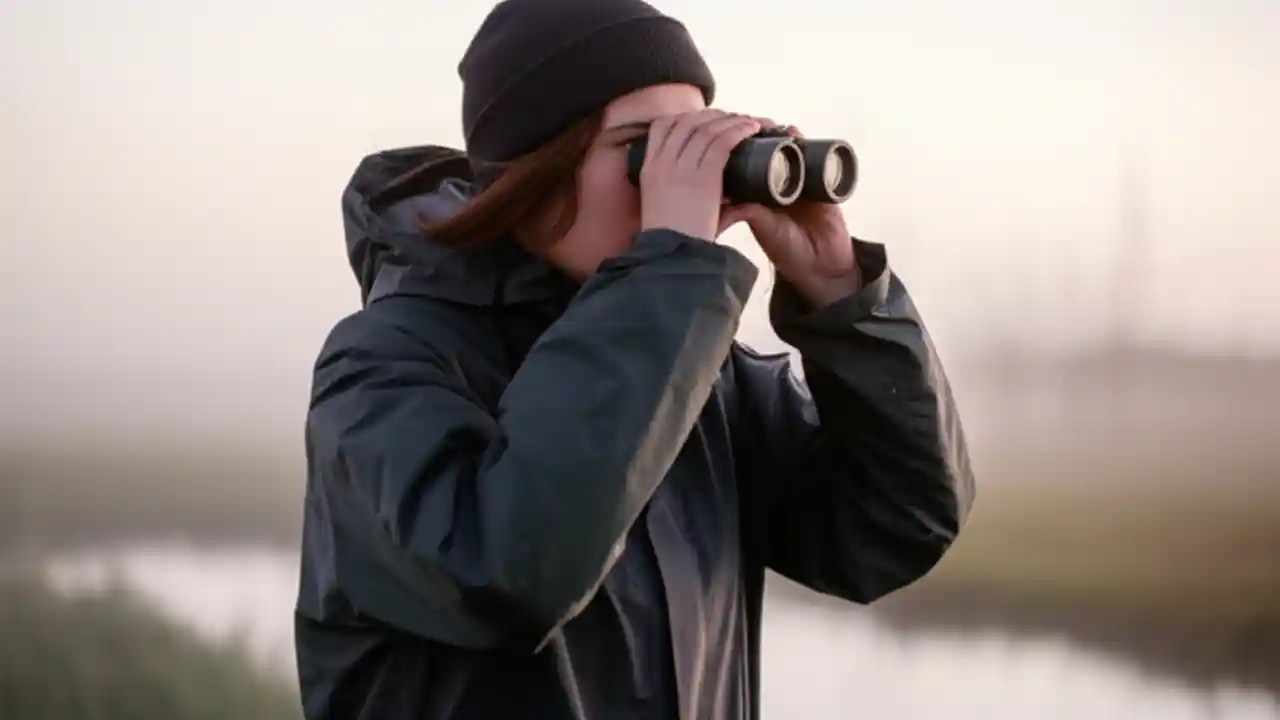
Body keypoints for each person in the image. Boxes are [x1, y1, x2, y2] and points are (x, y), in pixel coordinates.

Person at [295, 0, 975, 718]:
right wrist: (669, 281)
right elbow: (509, 574)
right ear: (530, 172)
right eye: (643, 149)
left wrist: (839, 293)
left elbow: (897, 526)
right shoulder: (381, 366)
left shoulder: (698, 376)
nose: (679, 184)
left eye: (696, 146)